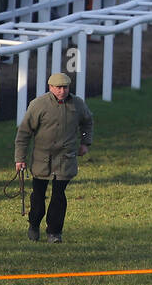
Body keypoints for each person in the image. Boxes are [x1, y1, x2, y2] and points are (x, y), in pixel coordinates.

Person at [14, 72, 93, 243]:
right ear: (50, 88)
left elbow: (87, 121)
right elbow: (24, 133)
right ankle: (34, 224)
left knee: (59, 195)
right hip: (42, 159)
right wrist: (20, 158)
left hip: (66, 159)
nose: (62, 91)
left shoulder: (77, 104)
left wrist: (85, 141)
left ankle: (54, 232)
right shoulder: (38, 105)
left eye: (65, 87)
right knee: (38, 195)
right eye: (58, 88)